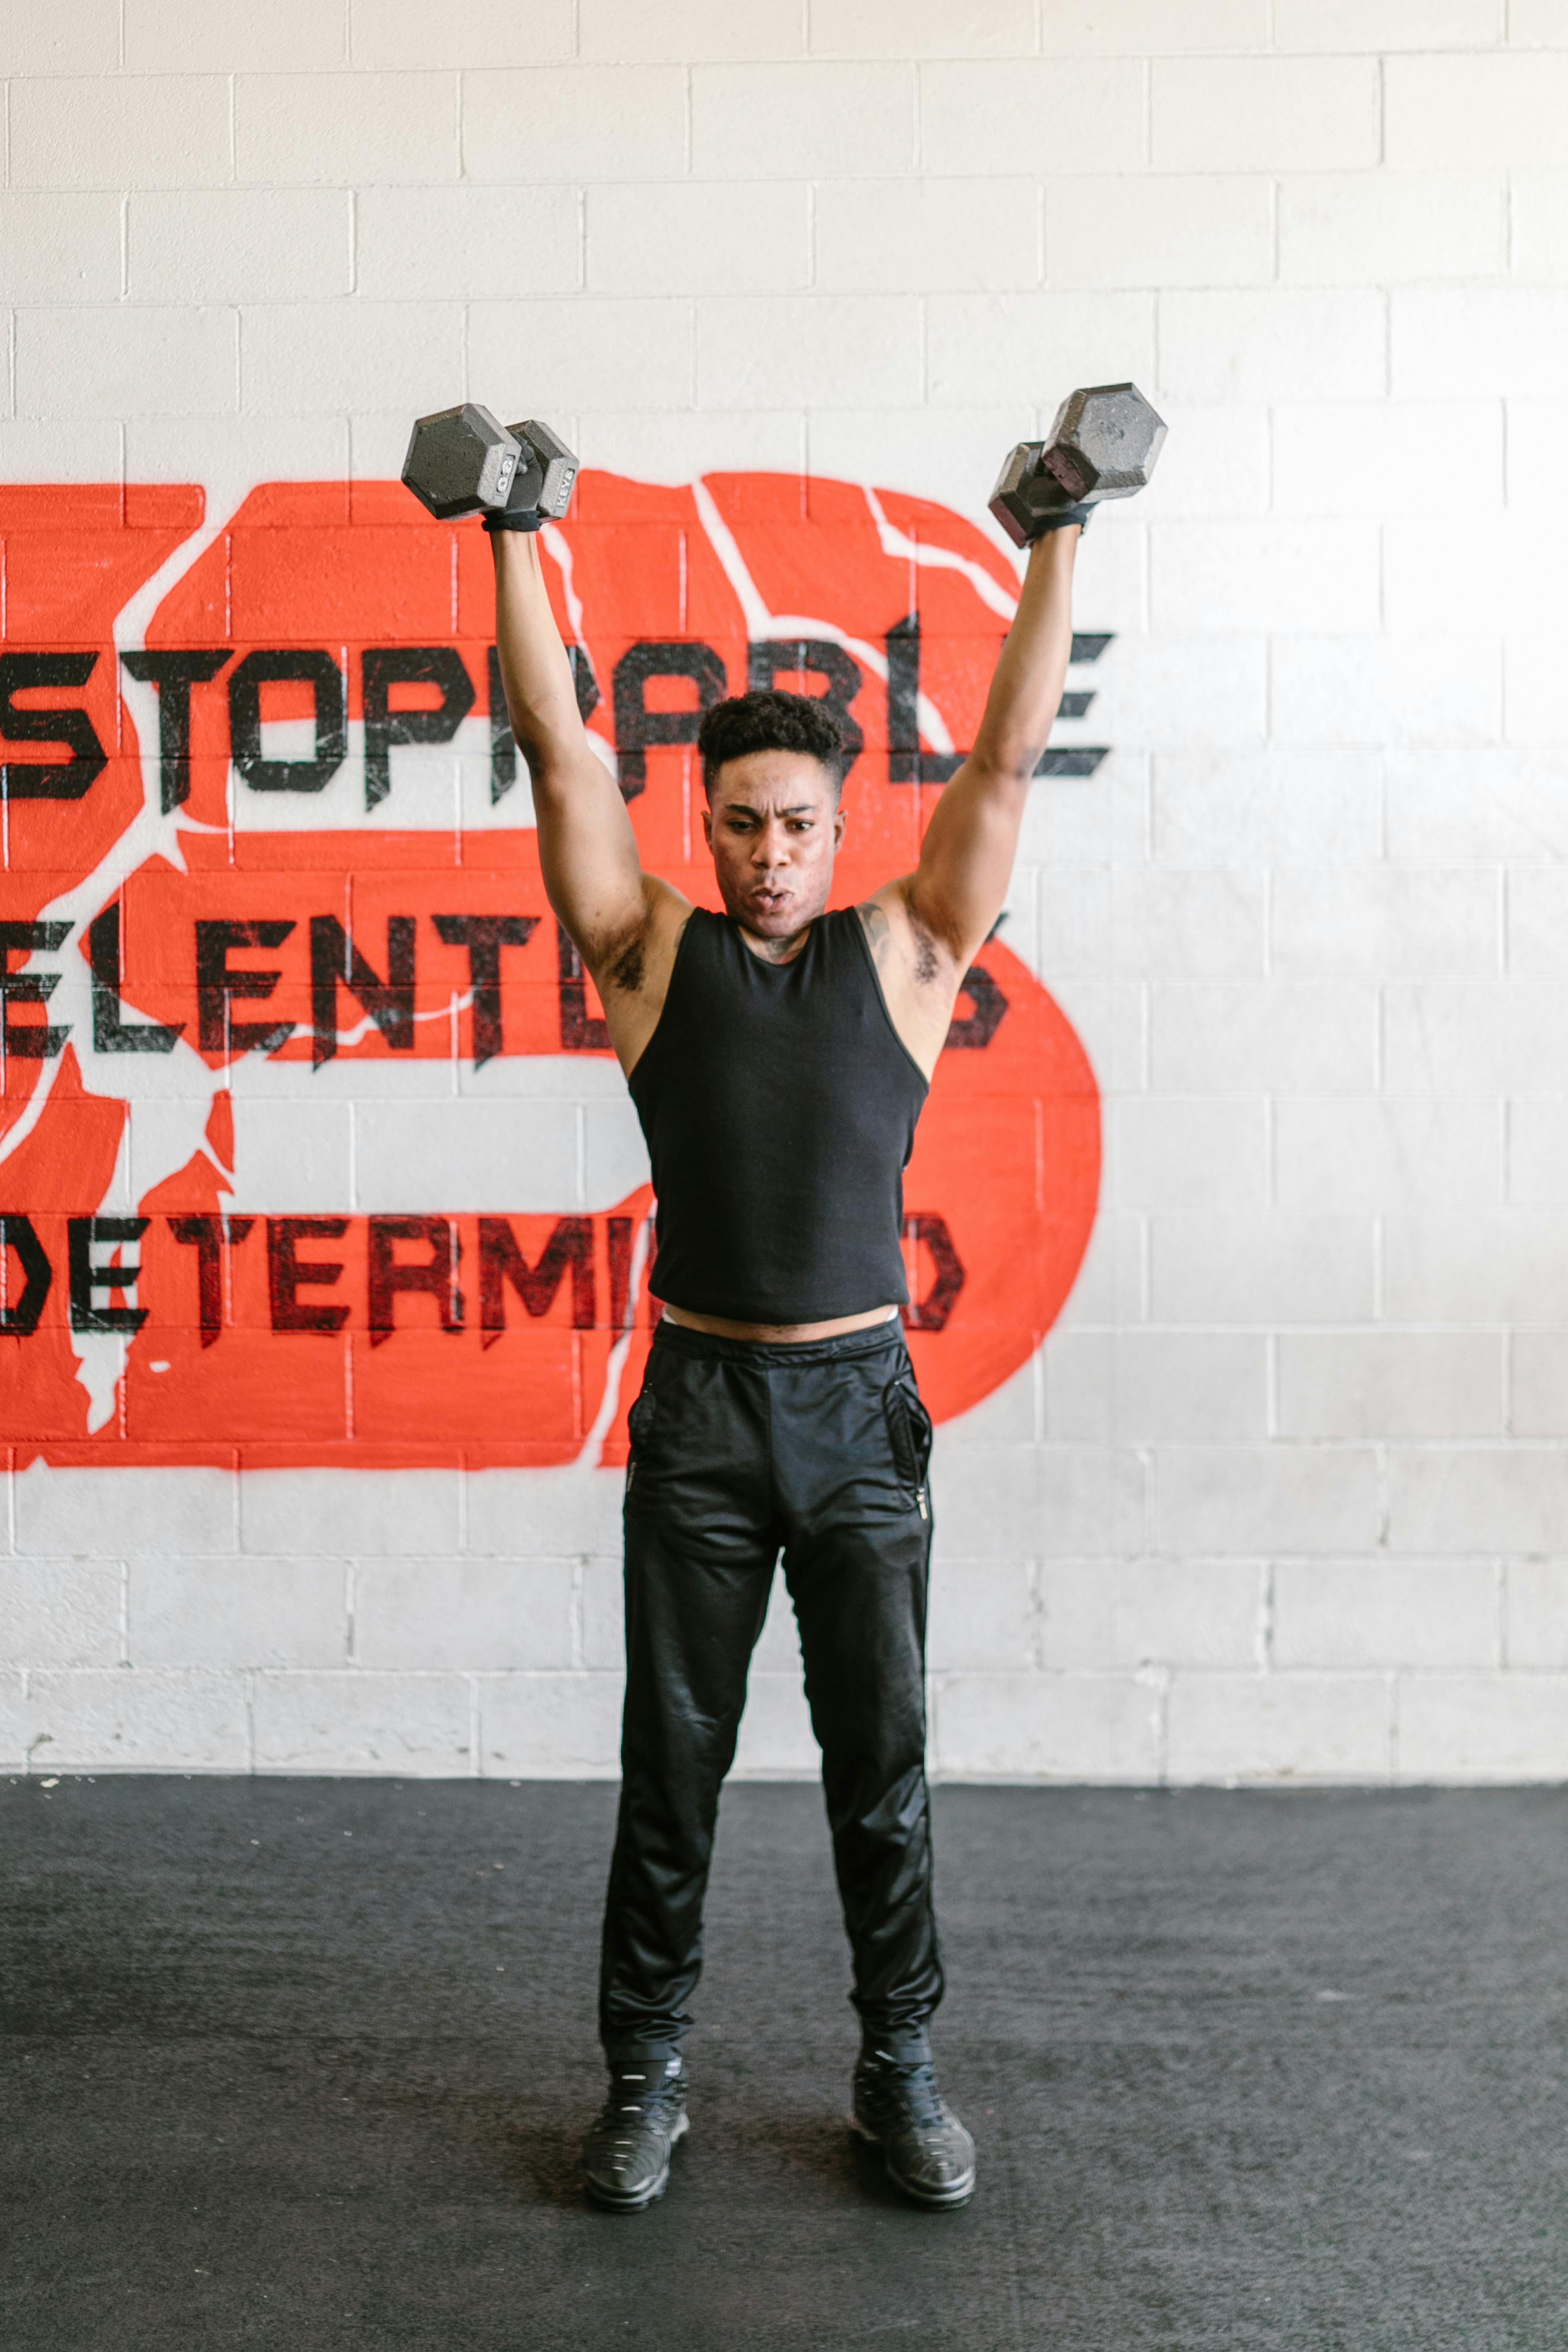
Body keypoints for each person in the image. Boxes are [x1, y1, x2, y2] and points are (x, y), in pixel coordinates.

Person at [488, 468, 1087, 2215]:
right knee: (669, 1767)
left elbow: (1007, 759)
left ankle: (898, 2072)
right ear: (710, 820)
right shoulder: (648, 951)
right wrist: (509, 531)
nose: (769, 854)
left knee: (878, 1768)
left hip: (856, 1412)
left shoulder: (905, 949)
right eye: (742, 822)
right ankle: (641, 2081)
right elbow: (555, 745)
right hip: (701, 1409)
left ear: (840, 827)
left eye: (798, 825)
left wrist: (1063, 532)